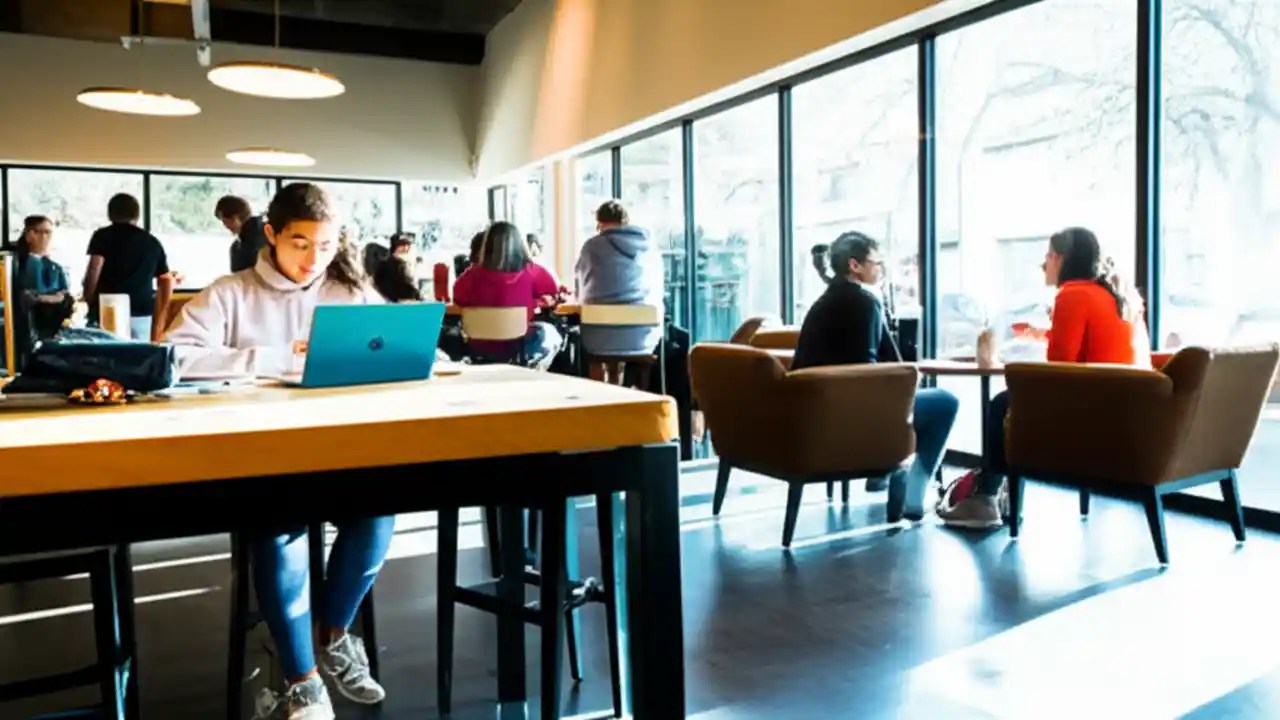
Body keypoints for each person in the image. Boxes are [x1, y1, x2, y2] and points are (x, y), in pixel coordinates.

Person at [165, 183, 389, 720]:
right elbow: (173, 355)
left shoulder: (349, 289)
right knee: (277, 520)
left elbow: (388, 342)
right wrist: (269, 357)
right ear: (270, 235)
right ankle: (300, 678)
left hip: (340, 451)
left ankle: (333, 634)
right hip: (263, 458)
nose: (314, 259)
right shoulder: (231, 292)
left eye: (327, 246)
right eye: (300, 243)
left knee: (379, 508)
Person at [938, 227, 1136, 528]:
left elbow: (1059, 368)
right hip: (1117, 407)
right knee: (1010, 400)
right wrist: (1045, 333)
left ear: (1059, 258)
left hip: (1085, 411)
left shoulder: (1071, 294)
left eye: (1047, 256)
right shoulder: (1110, 295)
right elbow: (1093, 350)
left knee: (999, 405)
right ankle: (999, 492)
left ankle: (986, 497)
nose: (1044, 264)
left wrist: (1022, 372)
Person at [792, 232, 959, 522]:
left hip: (816, 417)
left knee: (921, 401)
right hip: (854, 416)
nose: (881, 269)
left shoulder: (821, 305)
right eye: (877, 262)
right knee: (945, 401)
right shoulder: (865, 303)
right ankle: (913, 493)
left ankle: (891, 472)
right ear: (855, 265)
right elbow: (877, 370)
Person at [452, 221, 561, 368]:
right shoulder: (533, 272)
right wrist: (537, 301)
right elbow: (554, 293)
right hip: (518, 345)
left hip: (480, 346)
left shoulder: (471, 275)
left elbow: (458, 298)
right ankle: (530, 368)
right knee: (550, 333)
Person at [575, 200, 665, 356]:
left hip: (598, 336)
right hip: (644, 336)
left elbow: (579, 290)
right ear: (626, 222)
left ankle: (597, 380)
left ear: (599, 223)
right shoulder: (648, 247)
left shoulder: (591, 247)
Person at [82, 193, 174, 341]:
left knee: (105, 358)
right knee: (138, 359)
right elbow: (166, 280)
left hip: (107, 308)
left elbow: (94, 269)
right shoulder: (152, 242)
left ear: (110, 214)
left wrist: (89, 297)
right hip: (142, 312)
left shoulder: (102, 236)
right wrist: (159, 321)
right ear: (137, 215)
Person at [12, 215, 71, 367]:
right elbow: (26, 297)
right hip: (31, 327)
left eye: (50, 233)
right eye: (44, 232)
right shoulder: (21, 264)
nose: (48, 238)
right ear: (31, 235)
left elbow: (65, 294)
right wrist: (51, 299)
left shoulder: (53, 266)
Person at [216, 195, 270, 273]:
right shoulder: (267, 232)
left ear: (235, 218)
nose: (225, 226)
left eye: (225, 221)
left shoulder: (245, 245)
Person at [372, 233, 422, 302]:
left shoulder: (405, 264)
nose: (406, 248)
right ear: (395, 247)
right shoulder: (386, 267)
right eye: (402, 245)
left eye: (408, 245)